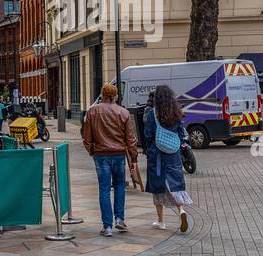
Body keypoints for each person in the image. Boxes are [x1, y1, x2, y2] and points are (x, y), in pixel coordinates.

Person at [81, 83, 138, 236]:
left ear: (102, 95)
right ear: (115, 96)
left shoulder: (92, 111)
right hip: (119, 155)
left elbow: (86, 138)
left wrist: (92, 151)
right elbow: (130, 139)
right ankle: (119, 219)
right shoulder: (123, 112)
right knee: (119, 186)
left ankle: (107, 227)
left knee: (104, 189)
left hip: (101, 155)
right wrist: (134, 158)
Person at [143, 85, 193, 233]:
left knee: (157, 185)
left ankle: (161, 221)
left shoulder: (153, 113)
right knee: (175, 182)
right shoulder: (176, 112)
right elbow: (181, 132)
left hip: (157, 154)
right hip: (173, 152)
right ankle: (181, 210)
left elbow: (148, 134)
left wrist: (149, 148)